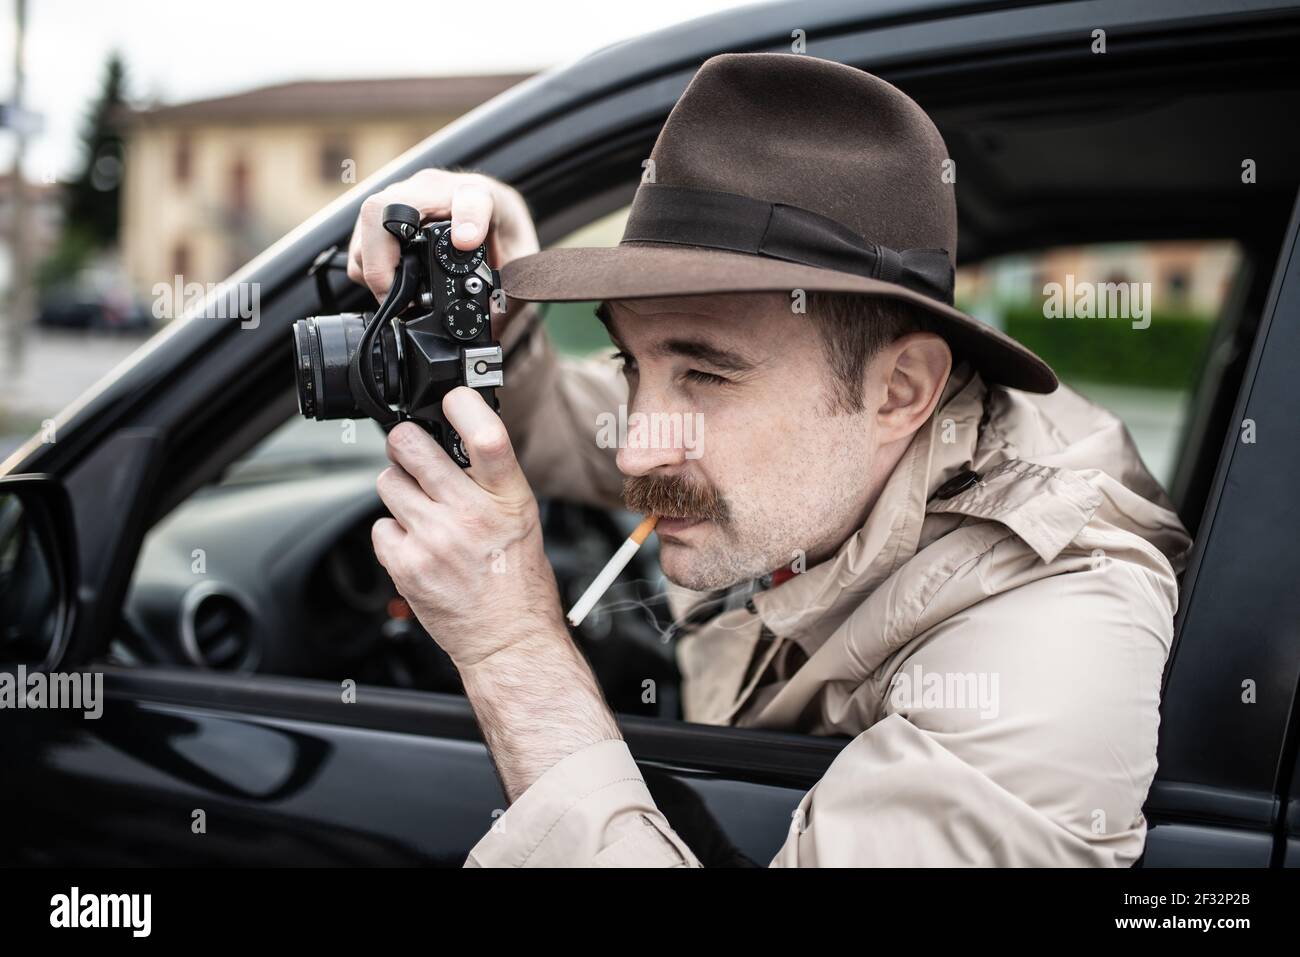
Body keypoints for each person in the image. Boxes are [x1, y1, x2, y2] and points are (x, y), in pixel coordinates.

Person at [347, 53, 1191, 866]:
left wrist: (511, 651)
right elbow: (571, 429)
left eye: (707, 374)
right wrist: (491, 319)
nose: (639, 444)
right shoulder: (822, 443)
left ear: (900, 390)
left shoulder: (1049, 646)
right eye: (632, 365)